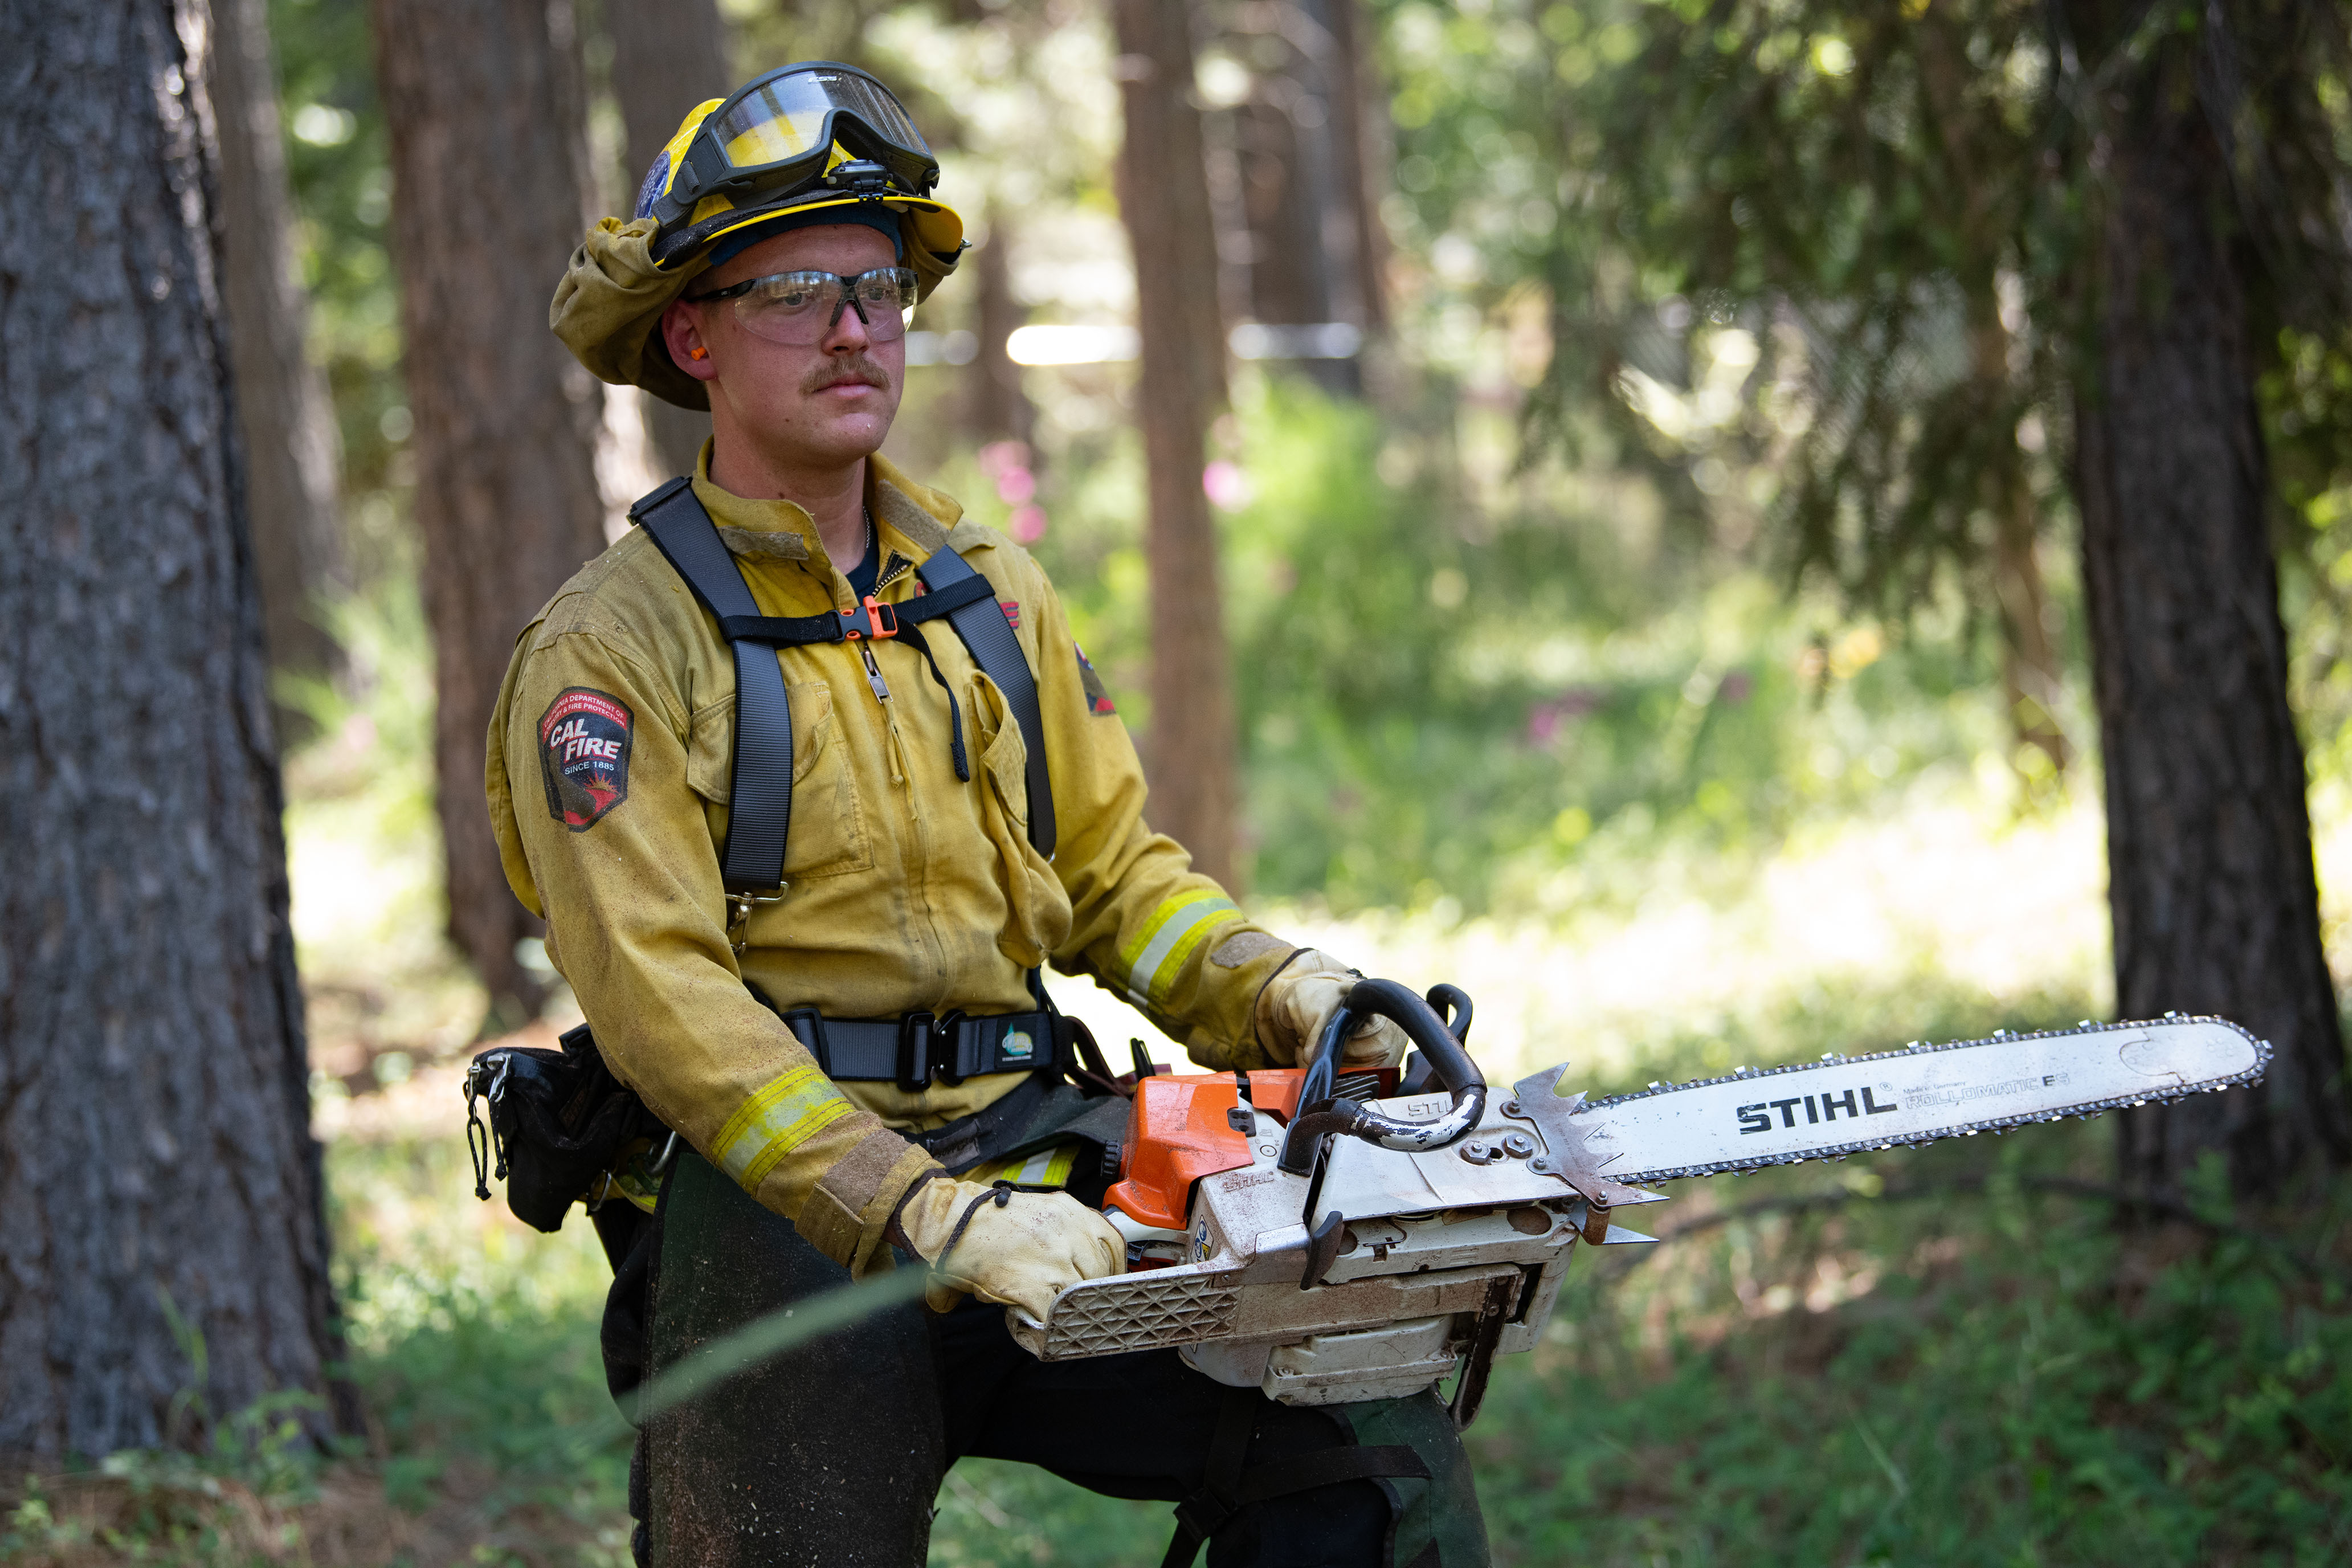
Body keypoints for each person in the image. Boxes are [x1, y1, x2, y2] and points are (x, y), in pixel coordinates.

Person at [499, 60, 1488, 1567]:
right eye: (797, 291)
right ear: (690, 334)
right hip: (783, 1198)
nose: (852, 326)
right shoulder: (609, 652)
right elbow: (666, 1008)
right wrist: (919, 1215)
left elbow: (1113, 881)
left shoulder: (982, 586)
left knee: (1359, 1434)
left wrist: (1287, 993)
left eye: (878, 285)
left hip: (1036, 1143)